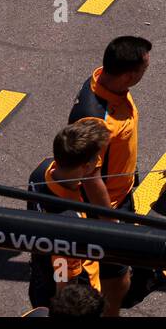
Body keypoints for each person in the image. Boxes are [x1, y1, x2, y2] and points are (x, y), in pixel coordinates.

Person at [68, 35, 151, 315]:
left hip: (121, 195)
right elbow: (90, 178)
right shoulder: (96, 119)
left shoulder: (105, 81)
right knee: (116, 281)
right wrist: (110, 220)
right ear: (129, 74)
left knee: (120, 274)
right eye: (144, 69)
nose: (145, 73)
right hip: (105, 209)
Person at [26, 121, 109, 311]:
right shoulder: (69, 221)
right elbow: (65, 277)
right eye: (96, 160)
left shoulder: (40, 171)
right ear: (86, 167)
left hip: (39, 271)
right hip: (72, 289)